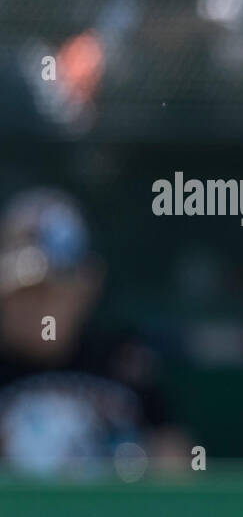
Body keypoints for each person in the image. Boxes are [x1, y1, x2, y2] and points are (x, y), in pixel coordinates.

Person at [0, 186, 189, 477]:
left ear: (87, 287)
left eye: (53, 292)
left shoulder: (123, 359)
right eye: (24, 293)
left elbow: (176, 458)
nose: (37, 308)